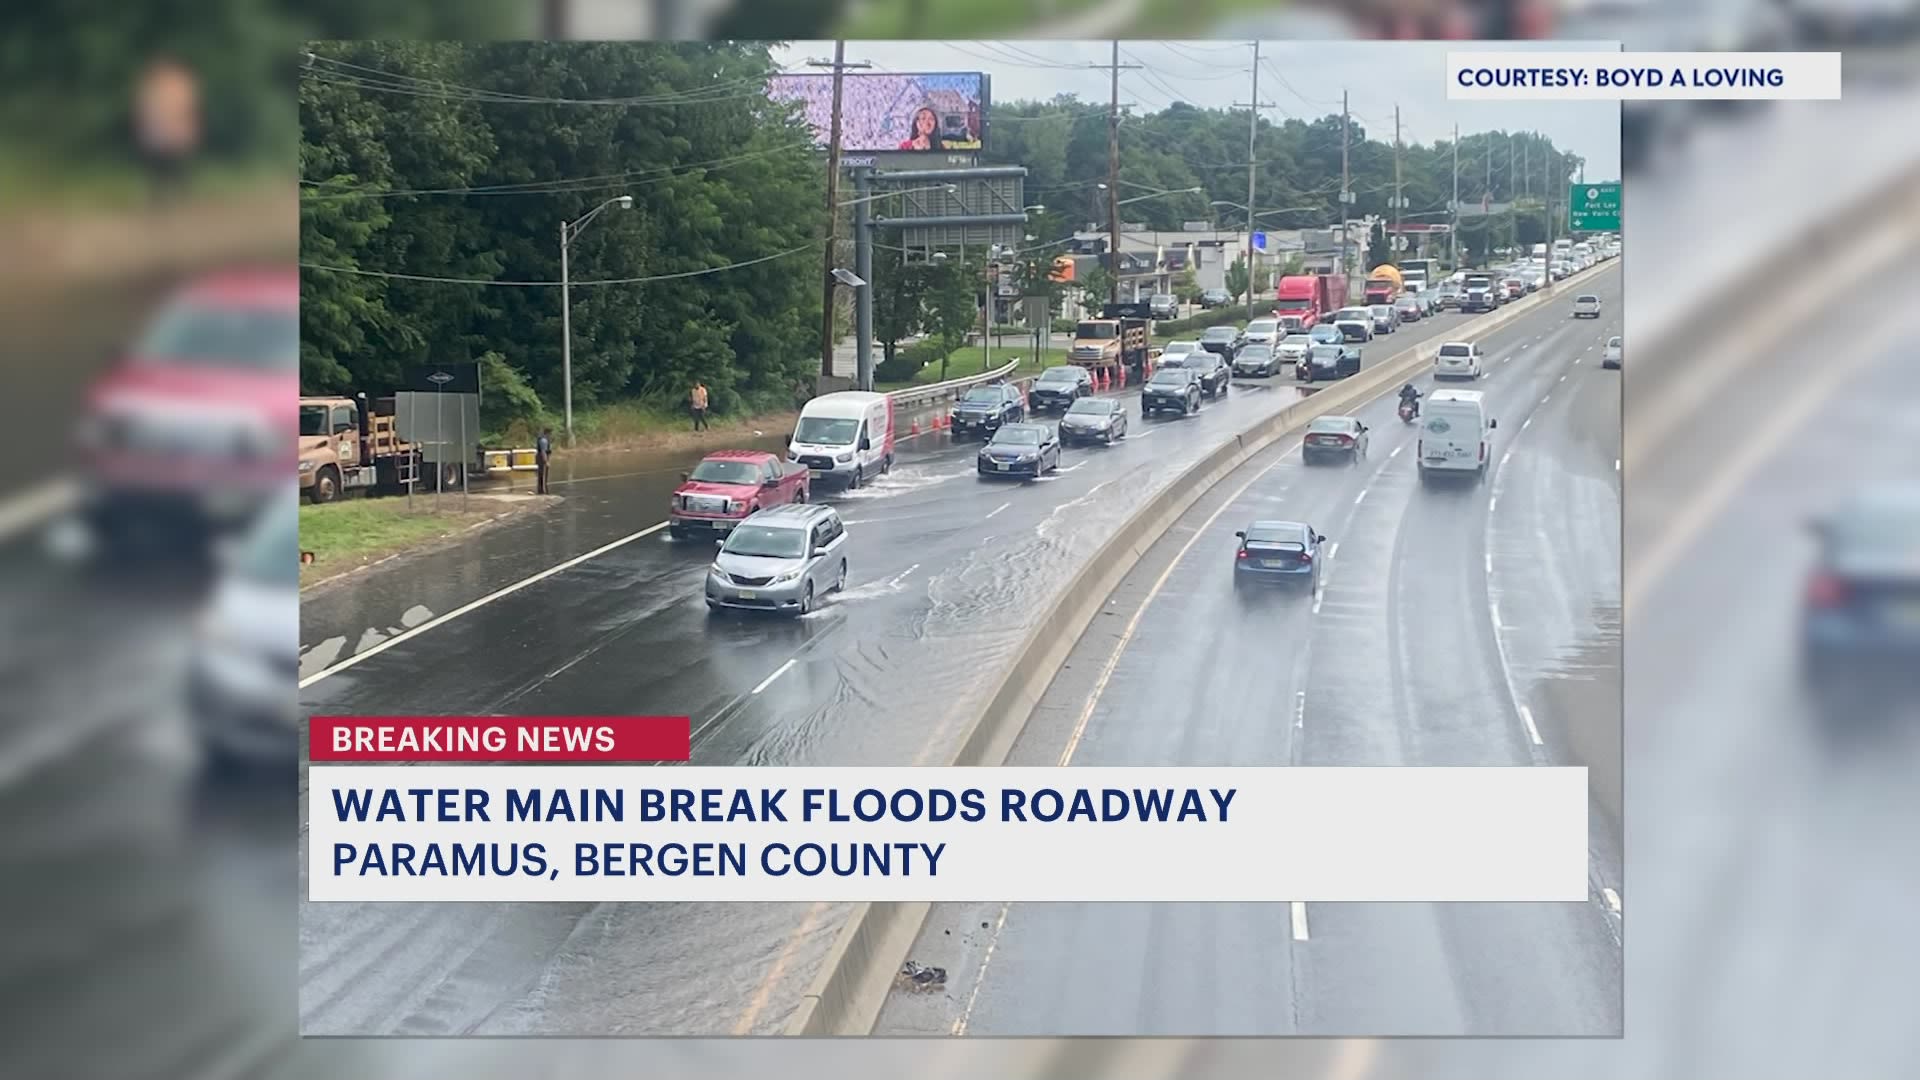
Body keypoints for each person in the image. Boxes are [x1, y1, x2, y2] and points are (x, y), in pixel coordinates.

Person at [534, 427, 553, 494]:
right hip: (542, 459)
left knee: (541, 475)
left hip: (540, 458)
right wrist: (546, 461)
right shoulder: (544, 441)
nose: (551, 436)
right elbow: (543, 452)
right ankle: (543, 491)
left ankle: (541, 490)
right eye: (550, 434)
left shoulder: (542, 439)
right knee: (543, 476)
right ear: (547, 433)